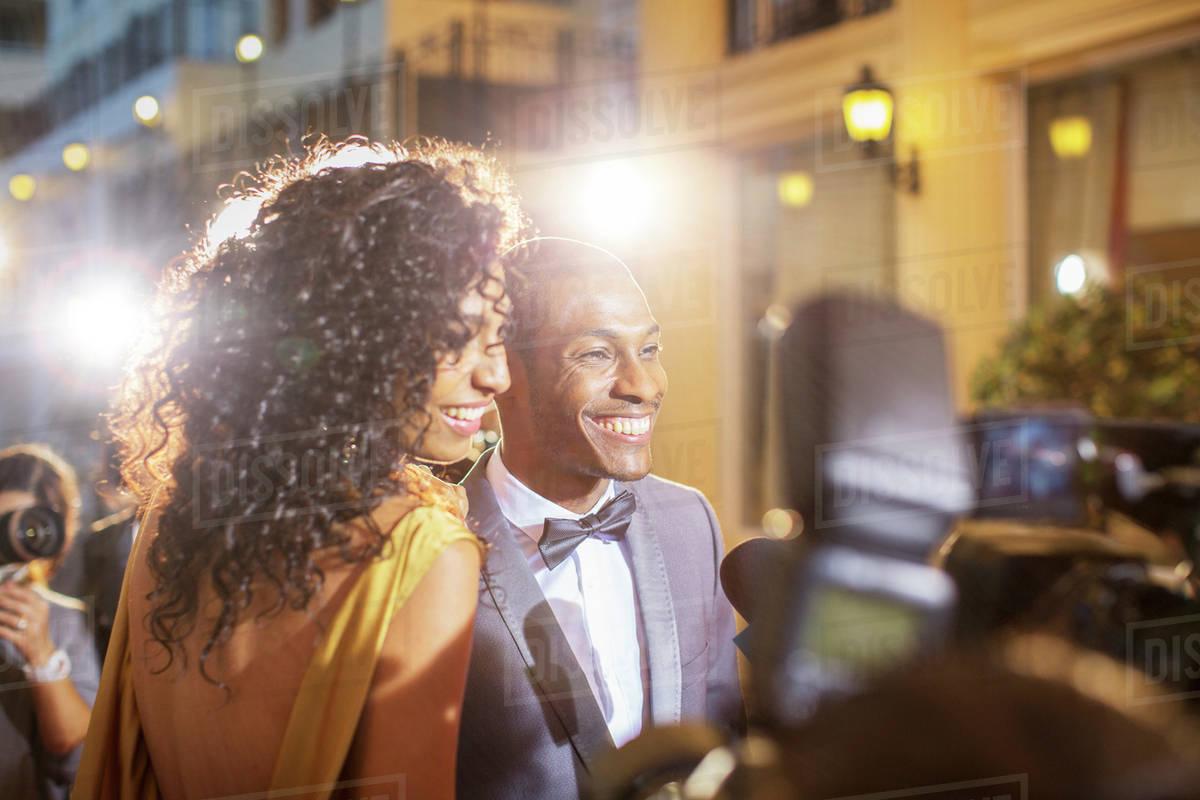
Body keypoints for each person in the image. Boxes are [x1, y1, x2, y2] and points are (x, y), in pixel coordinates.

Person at [73, 137, 529, 800]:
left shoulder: (174, 522)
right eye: (457, 339)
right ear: (356, 337)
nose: (497, 375)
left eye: (501, 337)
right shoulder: (419, 552)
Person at [456, 237, 744, 799]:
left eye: (651, 349)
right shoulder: (436, 550)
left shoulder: (691, 521)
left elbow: (724, 741)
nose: (643, 386)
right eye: (596, 354)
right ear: (503, 371)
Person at [0, 443, 101, 800]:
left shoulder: (61, 619)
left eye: (25, 528)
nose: (8, 543)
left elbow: (76, 758)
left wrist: (41, 654)